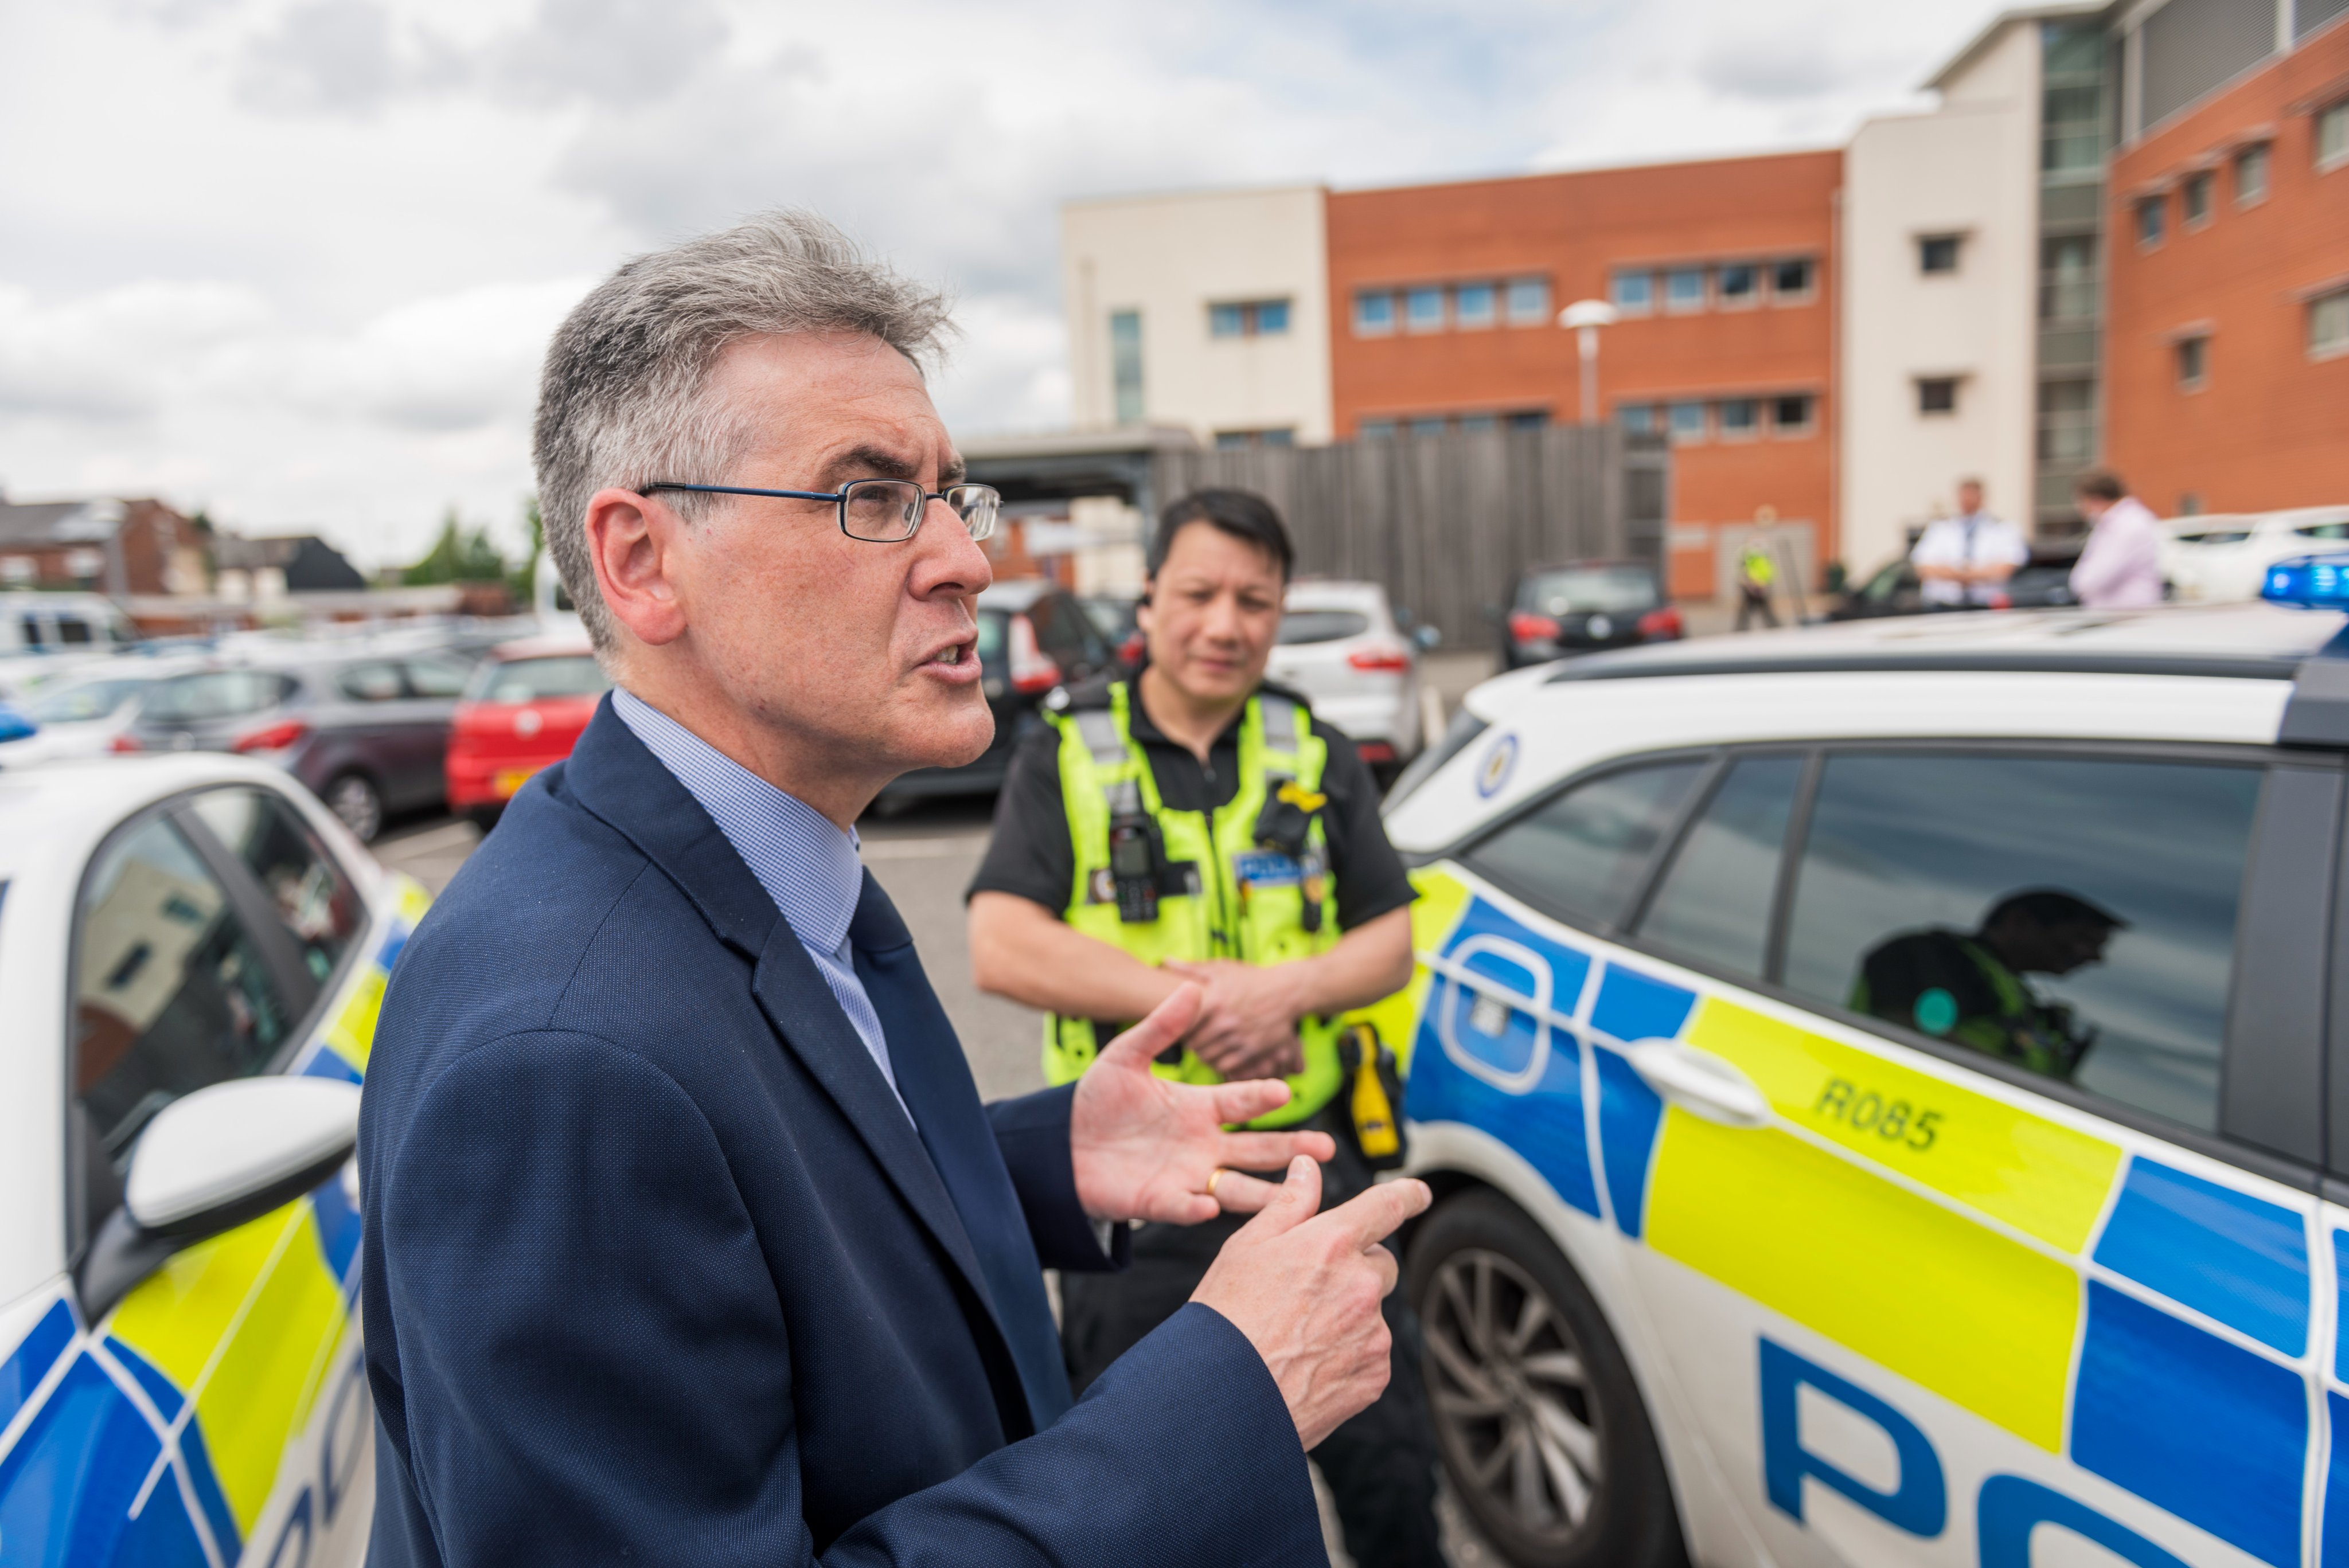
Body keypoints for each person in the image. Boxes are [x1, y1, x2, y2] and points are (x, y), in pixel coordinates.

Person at [357, 212, 1430, 1568]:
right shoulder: (558, 1063)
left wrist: (1036, 1159)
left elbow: (771, 1189)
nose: (966, 562)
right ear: (640, 561)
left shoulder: (753, 864)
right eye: (867, 498)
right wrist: (1231, 1393)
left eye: (949, 496)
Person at [965, 488, 1446, 1568]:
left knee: (1392, 1476)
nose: (1225, 625)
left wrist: (1285, 992)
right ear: (1149, 599)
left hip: (1310, 1172)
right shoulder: (1065, 749)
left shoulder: (1315, 750)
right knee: (1149, 1501)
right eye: (1199, 594)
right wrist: (1204, 1005)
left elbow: (1389, 940)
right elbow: (1001, 941)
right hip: (1141, 1195)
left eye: (1254, 601)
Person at [1851, 889, 2125, 1079]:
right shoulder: (1933, 955)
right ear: (2020, 922)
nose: (2096, 957)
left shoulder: (2019, 996)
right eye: (2084, 940)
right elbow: (1909, 1035)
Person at [1909, 478, 2029, 610]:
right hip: (1941, 607)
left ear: (1981, 498)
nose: (1967, 500)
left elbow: (2005, 569)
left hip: (1986, 607)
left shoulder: (2004, 529)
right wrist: (1968, 575)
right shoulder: (1939, 528)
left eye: (1972, 495)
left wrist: (1963, 575)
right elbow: (1923, 567)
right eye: (1964, 495)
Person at [2070, 469, 2166, 608]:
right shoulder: (2112, 523)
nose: (2081, 508)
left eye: (2082, 502)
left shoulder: (2130, 524)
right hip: (2118, 613)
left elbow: (2095, 579)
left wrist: (2080, 584)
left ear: (2096, 499)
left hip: (2130, 614)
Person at [1735, 536, 1780, 629]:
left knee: (1764, 609)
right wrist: (1753, 582)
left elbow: (1769, 570)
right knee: (1749, 610)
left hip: (1762, 586)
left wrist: (1766, 582)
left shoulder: (1764, 555)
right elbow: (1746, 570)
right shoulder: (1749, 555)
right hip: (1752, 586)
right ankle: (1741, 629)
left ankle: (1774, 627)